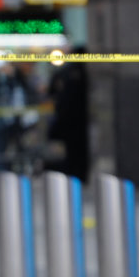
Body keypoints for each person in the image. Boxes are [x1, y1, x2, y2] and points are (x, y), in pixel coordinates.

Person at [47, 50, 90, 182]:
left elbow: (51, 92)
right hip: (79, 120)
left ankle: (73, 174)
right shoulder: (82, 71)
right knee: (79, 150)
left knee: (72, 151)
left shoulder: (64, 72)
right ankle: (79, 175)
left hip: (68, 120)